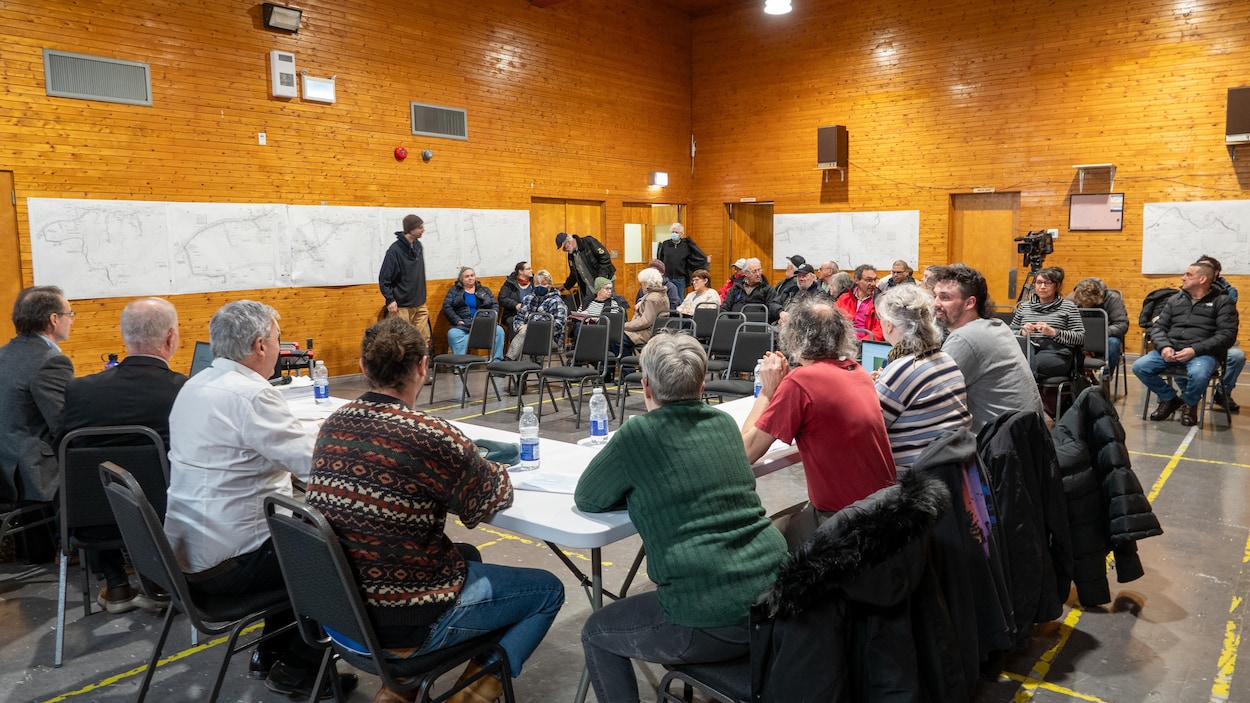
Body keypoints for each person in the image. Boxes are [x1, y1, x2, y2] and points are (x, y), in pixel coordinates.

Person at [306, 318, 564, 703]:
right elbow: (490, 495)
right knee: (548, 590)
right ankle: (466, 697)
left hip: (341, 616)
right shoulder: (430, 434)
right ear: (423, 367)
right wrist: (482, 463)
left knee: (466, 556)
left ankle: (398, 693)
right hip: (400, 624)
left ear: (362, 366)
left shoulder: (333, 425)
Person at [575, 332, 787, 703]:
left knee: (597, 631)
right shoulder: (721, 423)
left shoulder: (639, 433)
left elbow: (589, 497)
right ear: (702, 383)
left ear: (645, 387)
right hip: (775, 600)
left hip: (708, 616)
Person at [163, 300, 357, 698]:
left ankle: (271, 653)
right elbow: (312, 466)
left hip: (186, 553)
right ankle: (300, 666)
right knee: (341, 550)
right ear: (259, 346)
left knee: (292, 534)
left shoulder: (194, 385)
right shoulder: (252, 395)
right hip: (233, 563)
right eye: (277, 339)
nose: (280, 347)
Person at [59, 297, 185, 614]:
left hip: (89, 522)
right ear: (171, 337)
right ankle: (160, 583)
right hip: (164, 518)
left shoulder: (80, 390)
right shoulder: (183, 391)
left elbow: (62, 448)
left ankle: (116, 584)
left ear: (125, 336)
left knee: (99, 474)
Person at [741, 298, 896, 519]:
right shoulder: (857, 371)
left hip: (847, 520)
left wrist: (767, 392)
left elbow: (745, 453)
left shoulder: (801, 381)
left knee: (768, 533)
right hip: (885, 510)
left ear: (794, 337)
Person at [930, 264, 1043, 432]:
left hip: (998, 446)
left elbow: (931, 392)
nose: (935, 304)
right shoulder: (996, 325)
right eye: (935, 296)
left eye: (945, 298)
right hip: (1027, 439)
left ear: (970, 303)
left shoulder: (965, 338)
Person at [871, 285, 971, 470]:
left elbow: (870, 426)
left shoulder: (902, 370)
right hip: (952, 469)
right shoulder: (945, 358)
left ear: (888, 325)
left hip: (913, 481)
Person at [1133, 262, 1239, 427]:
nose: (1183, 277)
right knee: (1140, 366)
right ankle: (1170, 399)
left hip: (1203, 353)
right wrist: (1164, 346)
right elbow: (1159, 327)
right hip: (1172, 349)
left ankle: (1190, 404)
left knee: (1199, 373)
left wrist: (1194, 350)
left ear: (1202, 279)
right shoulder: (1175, 299)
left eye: (1189, 275)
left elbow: (1227, 336)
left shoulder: (1223, 302)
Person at [0, 285, 75, 505]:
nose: (71, 320)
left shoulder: (5, 352)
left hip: (6, 467)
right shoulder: (50, 361)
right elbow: (64, 423)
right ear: (54, 319)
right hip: (33, 475)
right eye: (69, 314)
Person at [1010, 266, 1084, 380]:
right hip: (1027, 348)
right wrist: (1022, 331)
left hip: (1056, 352)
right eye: (1039, 282)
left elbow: (1080, 337)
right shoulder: (1024, 307)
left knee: (1027, 365)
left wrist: (1054, 332)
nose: (1042, 287)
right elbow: (1009, 332)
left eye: (1048, 283)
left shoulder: (1069, 307)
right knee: (1022, 362)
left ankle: (1024, 393)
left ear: (1057, 286)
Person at [1195, 255, 1245, 412]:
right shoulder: (1188, 289)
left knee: (1237, 357)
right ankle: (1187, 396)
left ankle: (1222, 393)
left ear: (1216, 272)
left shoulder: (1228, 292)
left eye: (1207, 267)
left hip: (1216, 342)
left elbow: (1223, 322)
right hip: (1193, 340)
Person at [379, 214, 430, 349]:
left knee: (422, 340)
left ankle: (420, 369)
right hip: (402, 305)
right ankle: (402, 370)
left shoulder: (418, 246)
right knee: (401, 342)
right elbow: (384, 278)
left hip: (420, 303)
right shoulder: (395, 251)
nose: (422, 230)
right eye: (420, 227)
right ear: (411, 229)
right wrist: (390, 299)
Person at [1069, 277, 1129, 382]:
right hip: (1080, 338)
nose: (1085, 306)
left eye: (1088, 304)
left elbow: (1121, 324)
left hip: (1104, 339)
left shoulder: (1112, 299)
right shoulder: (1071, 298)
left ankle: (1105, 378)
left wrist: (1098, 334)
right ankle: (1079, 377)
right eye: (1083, 304)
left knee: (1113, 343)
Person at [441, 266, 505, 360]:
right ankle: (460, 364)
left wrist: (491, 319)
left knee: (499, 331)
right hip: (464, 324)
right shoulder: (454, 291)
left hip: (483, 322)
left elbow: (494, 305)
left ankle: (497, 361)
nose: (470, 278)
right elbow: (447, 307)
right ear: (461, 279)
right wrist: (457, 320)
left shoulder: (484, 290)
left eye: (472, 275)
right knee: (453, 334)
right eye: (467, 276)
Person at [507, 270, 568, 361]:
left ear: (549, 285)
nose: (540, 286)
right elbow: (518, 317)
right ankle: (523, 370)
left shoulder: (556, 301)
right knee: (526, 335)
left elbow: (558, 325)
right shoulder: (528, 299)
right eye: (537, 283)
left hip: (551, 338)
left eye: (543, 284)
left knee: (526, 333)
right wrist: (520, 327)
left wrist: (533, 328)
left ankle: (509, 360)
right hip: (527, 335)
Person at [556, 231, 615, 304]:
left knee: (608, 306)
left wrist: (601, 279)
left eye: (564, 247)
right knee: (591, 307)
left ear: (569, 242)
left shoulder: (588, 242)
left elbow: (605, 257)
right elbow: (574, 273)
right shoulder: (571, 255)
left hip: (605, 280)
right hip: (590, 285)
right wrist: (566, 285)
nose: (564, 250)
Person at [623, 268, 669, 356]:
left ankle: (626, 368)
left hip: (647, 332)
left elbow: (645, 322)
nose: (641, 286)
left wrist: (625, 325)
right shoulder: (660, 294)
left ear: (646, 283)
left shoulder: (652, 298)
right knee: (617, 337)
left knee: (617, 339)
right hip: (652, 330)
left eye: (642, 283)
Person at [721, 257, 781, 322]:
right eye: (754, 271)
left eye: (759, 270)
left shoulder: (768, 289)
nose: (758, 274)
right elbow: (724, 308)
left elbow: (773, 310)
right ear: (746, 273)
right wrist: (726, 322)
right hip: (735, 324)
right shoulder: (736, 288)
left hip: (757, 326)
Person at [835, 264, 884, 341]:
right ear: (857, 280)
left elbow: (880, 329)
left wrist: (863, 343)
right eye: (869, 280)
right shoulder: (844, 298)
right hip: (844, 343)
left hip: (867, 344)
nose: (873, 284)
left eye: (875, 280)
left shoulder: (880, 301)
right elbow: (834, 320)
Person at [656, 222, 708, 294]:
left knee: (679, 299)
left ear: (681, 234)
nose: (674, 234)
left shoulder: (686, 245)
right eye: (673, 232)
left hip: (680, 278)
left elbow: (695, 256)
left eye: (676, 232)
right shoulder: (665, 244)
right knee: (666, 298)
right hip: (667, 277)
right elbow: (660, 259)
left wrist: (704, 259)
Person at [497, 261, 534, 333]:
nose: (531, 271)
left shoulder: (534, 282)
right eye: (528, 269)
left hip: (532, 313)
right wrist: (515, 305)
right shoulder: (510, 283)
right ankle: (515, 343)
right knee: (512, 322)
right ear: (520, 271)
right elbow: (502, 298)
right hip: (513, 314)